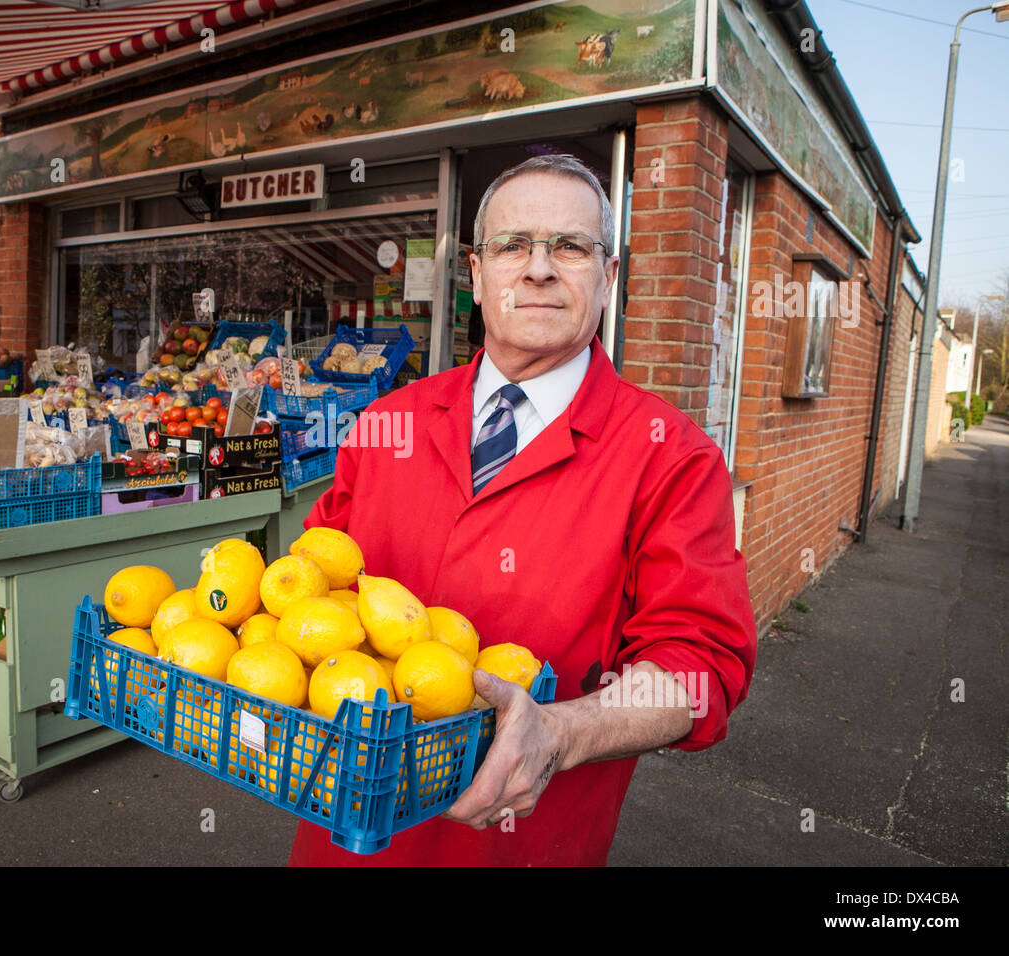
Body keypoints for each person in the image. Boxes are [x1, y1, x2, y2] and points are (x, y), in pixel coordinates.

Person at [287, 154, 758, 866]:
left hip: (525, 842)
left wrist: (564, 732)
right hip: (344, 831)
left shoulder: (671, 456)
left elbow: (701, 662)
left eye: (569, 246)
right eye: (512, 245)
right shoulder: (389, 422)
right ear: (476, 276)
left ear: (609, 277)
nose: (538, 269)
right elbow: (312, 587)